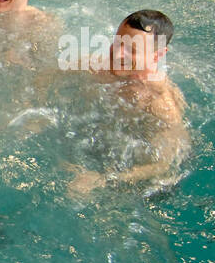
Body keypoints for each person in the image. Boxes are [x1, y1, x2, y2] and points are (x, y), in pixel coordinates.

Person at [67, 10, 188, 196]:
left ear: (157, 55)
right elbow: (49, 76)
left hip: (139, 171)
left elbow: (164, 164)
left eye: (132, 50)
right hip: (105, 138)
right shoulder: (102, 67)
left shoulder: (158, 102)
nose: (117, 54)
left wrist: (104, 180)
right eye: (117, 43)